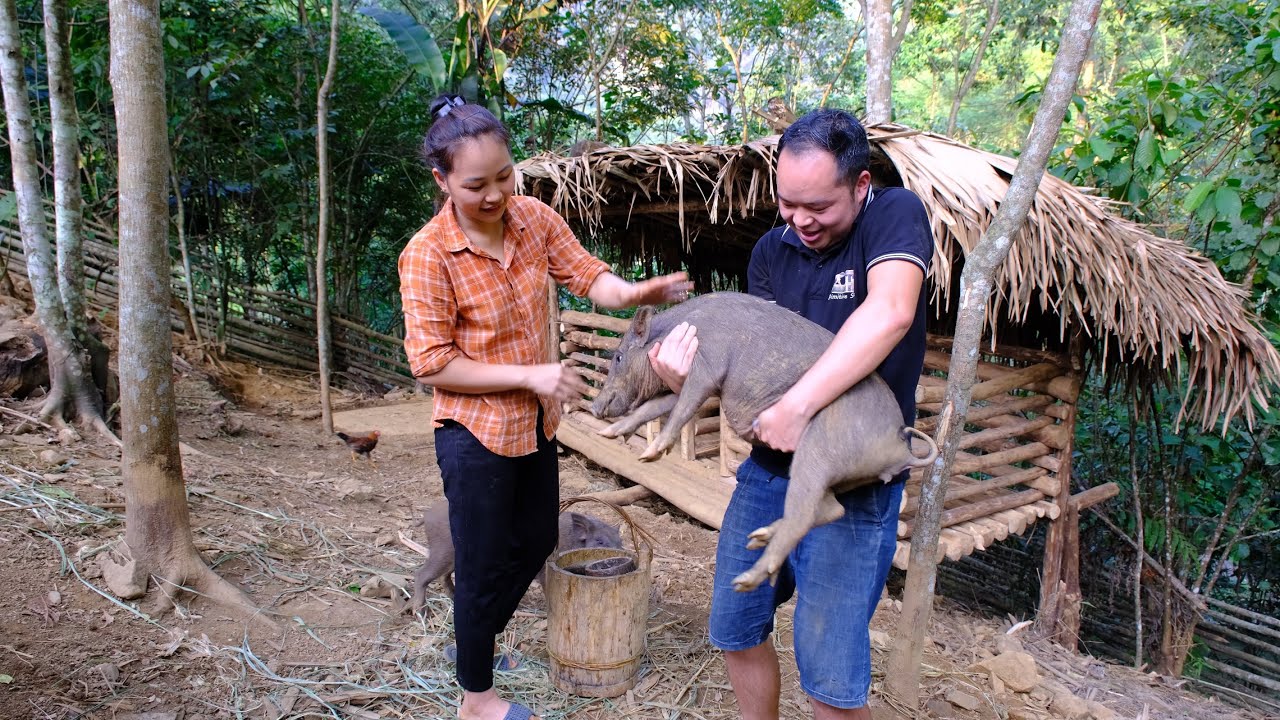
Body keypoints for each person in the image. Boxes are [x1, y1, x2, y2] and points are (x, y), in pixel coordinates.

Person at [399, 94, 692, 720]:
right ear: (442, 181)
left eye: (504, 176)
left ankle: (473, 648)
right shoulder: (428, 254)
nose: (495, 194)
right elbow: (431, 363)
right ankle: (477, 698)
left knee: (535, 540)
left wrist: (633, 292)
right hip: (473, 431)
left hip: (534, 425)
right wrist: (529, 375)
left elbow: (589, 276)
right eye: (475, 185)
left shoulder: (533, 218)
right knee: (480, 561)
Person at [649, 108, 932, 719]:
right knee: (735, 627)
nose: (800, 220)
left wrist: (800, 406)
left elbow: (890, 313)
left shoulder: (894, 215)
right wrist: (685, 380)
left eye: (818, 206)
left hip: (852, 485)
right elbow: (753, 371)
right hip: (769, 474)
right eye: (787, 203)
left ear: (860, 185)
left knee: (828, 675)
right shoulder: (770, 253)